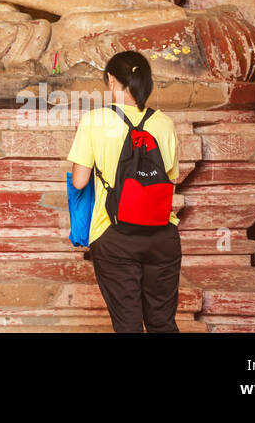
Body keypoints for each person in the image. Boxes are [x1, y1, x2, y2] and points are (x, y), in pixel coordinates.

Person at [67, 50, 181, 333]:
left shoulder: (94, 121)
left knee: (128, 326)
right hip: (163, 236)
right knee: (163, 324)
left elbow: (79, 182)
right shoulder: (164, 123)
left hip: (114, 234)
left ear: (111, 80)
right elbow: (170, 180)